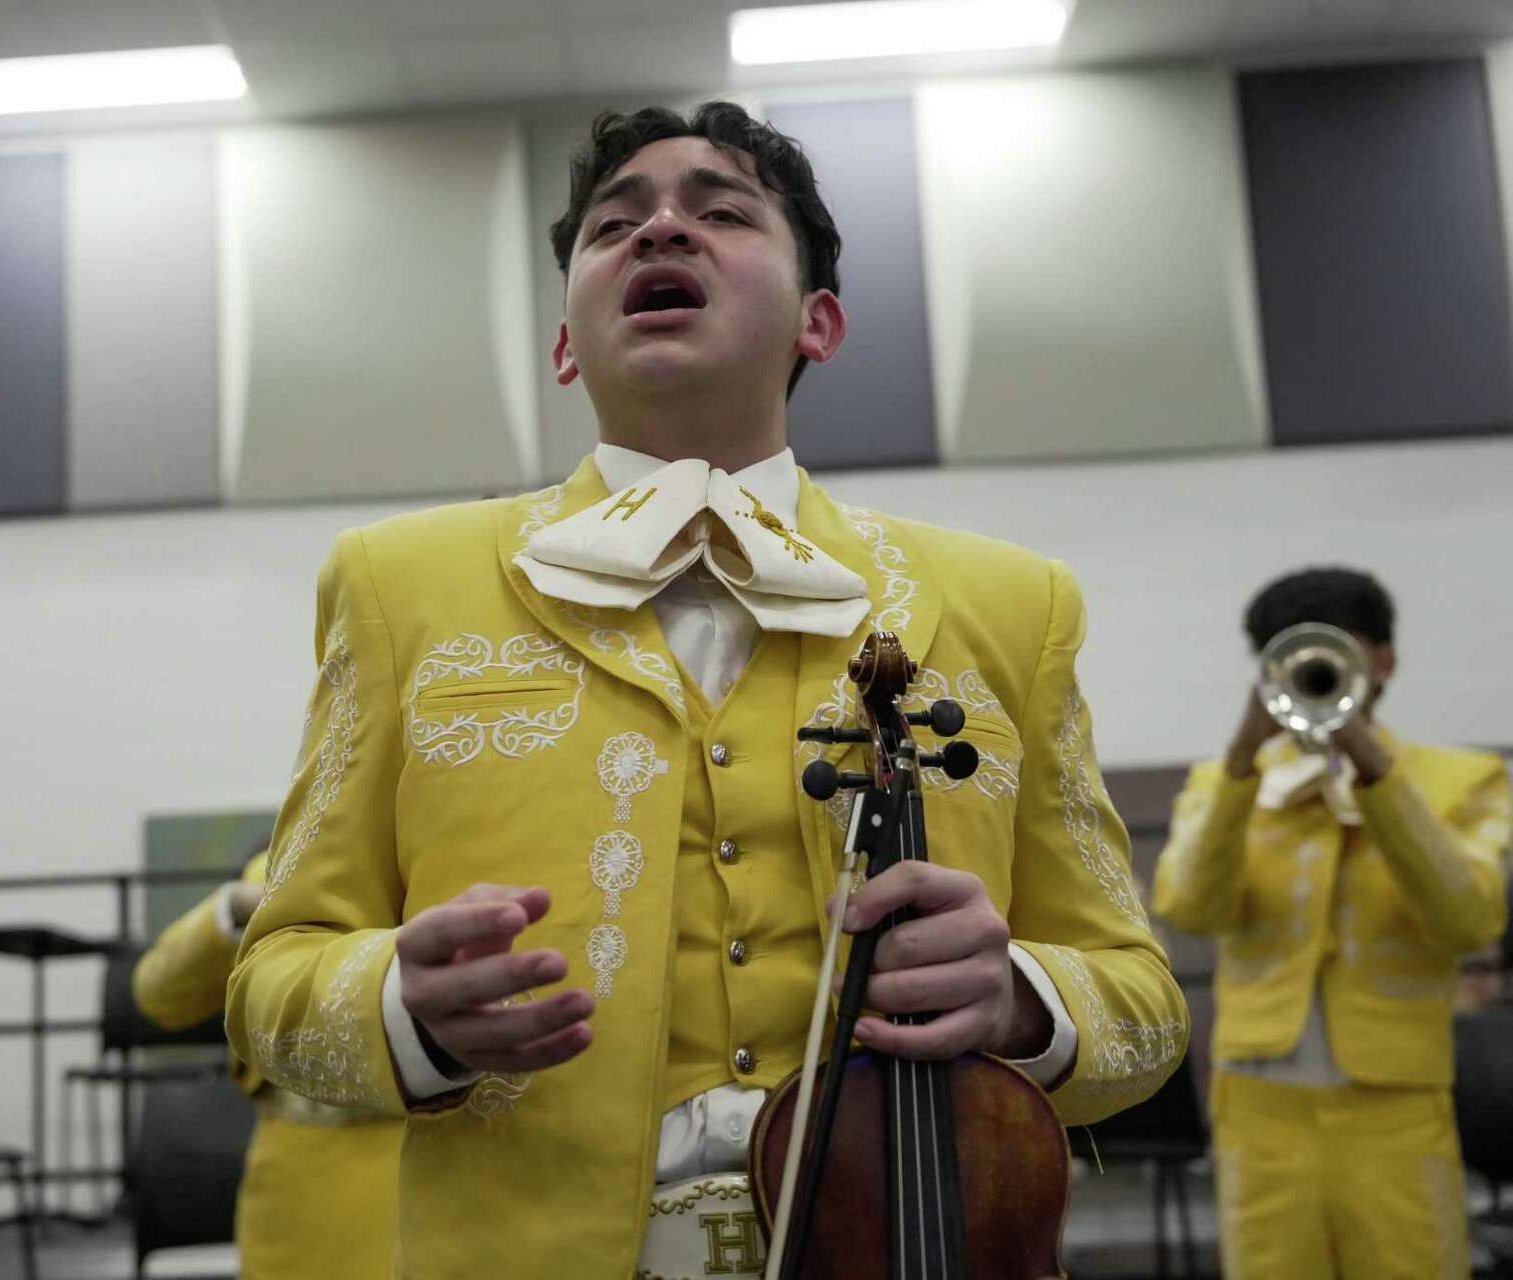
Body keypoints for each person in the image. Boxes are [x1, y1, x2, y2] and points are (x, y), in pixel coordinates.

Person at [227, 102, 1187, 1277]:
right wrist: (401, 1009)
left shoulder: (1013, 603)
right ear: (566, 343)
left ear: (818, 320)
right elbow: (271, 987)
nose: (661, 229)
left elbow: (1144, 1007)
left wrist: (1021, 1000)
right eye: (613, 224)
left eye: (722, 213)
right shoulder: (396, 584)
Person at [1154, 567, 1510, 1280]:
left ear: (1384, 660)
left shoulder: (1467, 779)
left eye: (1334, 649)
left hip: (1396, 1101)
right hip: (1258, 1103)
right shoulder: (1223, 782)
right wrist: (1240, 764)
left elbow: (1467, 920)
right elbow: (1190, 907)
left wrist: (1375, 769)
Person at [132, 852, 398, 1279]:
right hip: (298, 1190)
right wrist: (235, 907)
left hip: (437, 1170)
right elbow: (159, 996)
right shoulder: (285, 861)